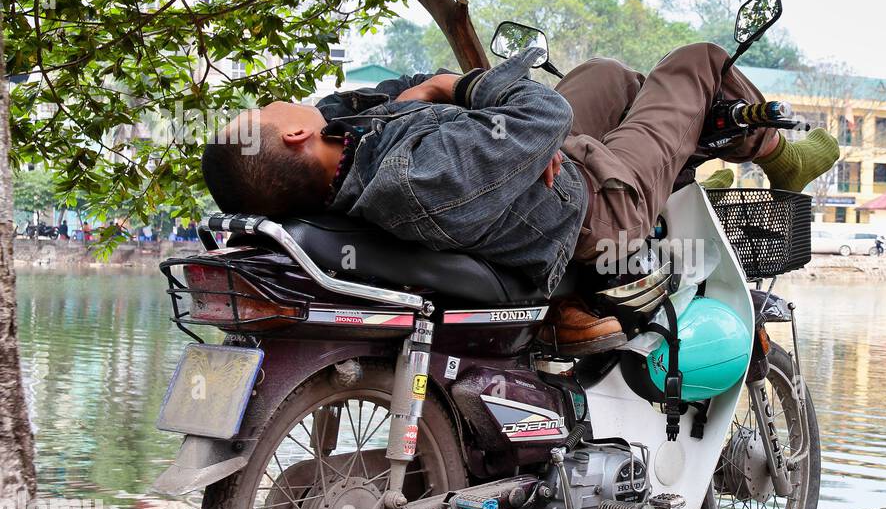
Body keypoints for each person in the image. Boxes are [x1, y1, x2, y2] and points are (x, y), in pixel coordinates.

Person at [202, 44, 839, 354]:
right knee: (696, 63)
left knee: (611, 77)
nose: (283, 100)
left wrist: (426, 99)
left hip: (538, 175)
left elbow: (406, 93)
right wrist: (458, 86)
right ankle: (782, 156)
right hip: (596, 204)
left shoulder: (342, 150)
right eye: (268, 109)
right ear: (292, 133)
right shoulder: (418, 173)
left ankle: (690, 157)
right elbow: (543, 110)